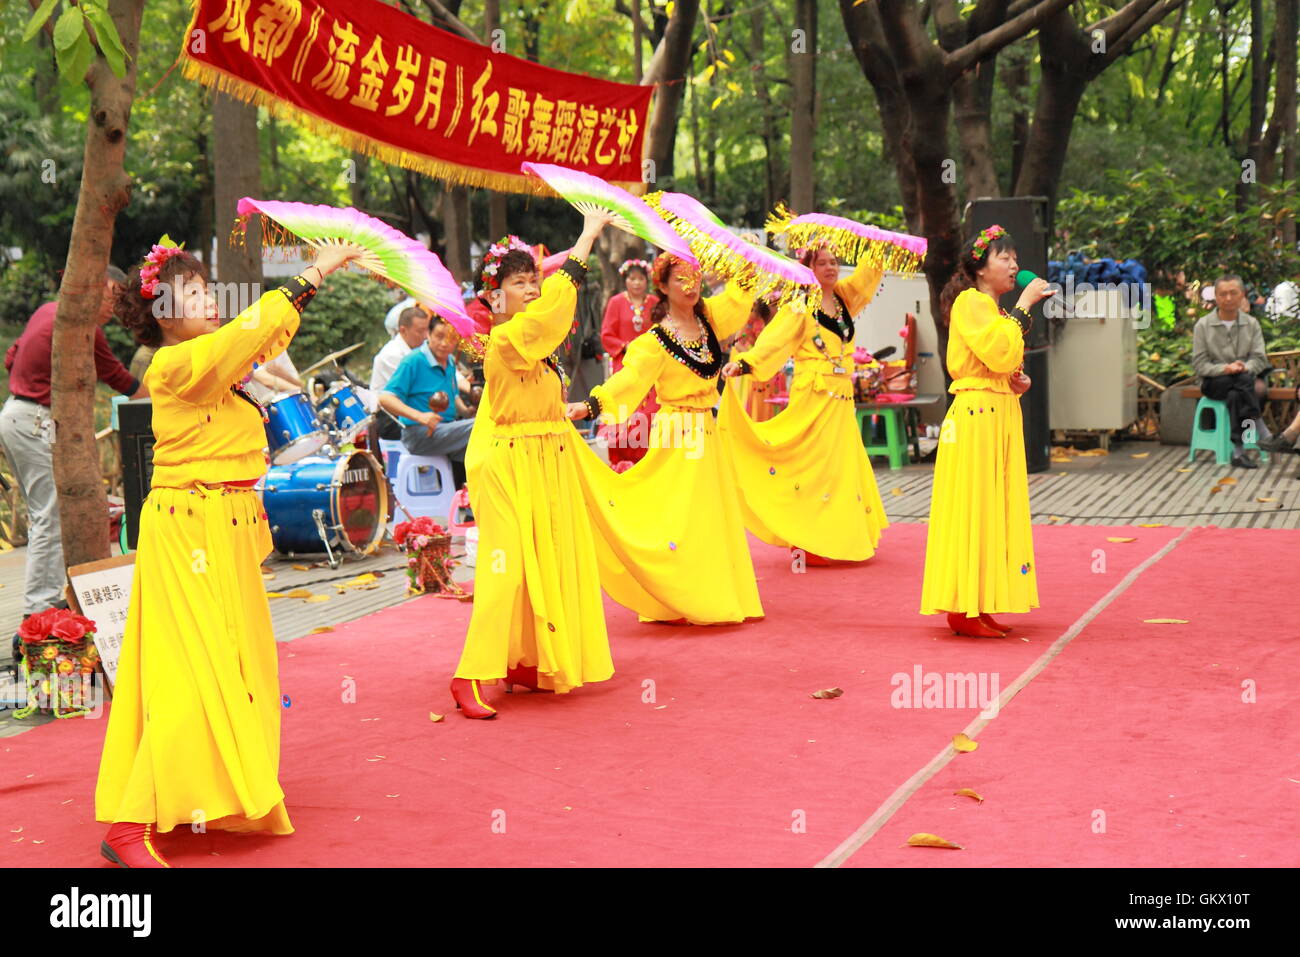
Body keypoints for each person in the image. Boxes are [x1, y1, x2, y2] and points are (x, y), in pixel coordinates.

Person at [95, 237, 364, 866]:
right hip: (191, 526)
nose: (211, 300)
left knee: (235, 667)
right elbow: (253, 331)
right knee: (191, 671)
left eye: (208, 289)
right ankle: (130, 824)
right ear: (162, 311)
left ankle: (213, 790)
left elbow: (257, 341)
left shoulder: (215, 365)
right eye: (194, 293)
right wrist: (317, 270)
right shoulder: (173, 366)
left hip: (224, 527)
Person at [449, 216, 616, 718]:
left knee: (543, 557)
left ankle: (524, 660)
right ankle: (469, 675)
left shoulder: (536, 348)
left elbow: (543, 400)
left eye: (532, 280)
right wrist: (586, 236)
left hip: (542, 459)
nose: (529, 289)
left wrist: (581, 410)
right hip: (503, 464)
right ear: (493, 297)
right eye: (516, 282)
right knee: (507, 564)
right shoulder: (508, 340)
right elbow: (555, 311)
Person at [566, 253, 764, 626]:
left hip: (707, 429)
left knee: (707, 515)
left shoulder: (709, 319)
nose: (691, 286)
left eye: (695, 278)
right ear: (662, 287)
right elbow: (632, 378)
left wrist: (744, 258)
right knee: (677, 515)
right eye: (680, 279)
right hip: (676, 432)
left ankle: (709, 594)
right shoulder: (656, 340)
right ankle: (674, 596)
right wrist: (594, 404)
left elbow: (739, 301)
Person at [0, 266, 146, 664]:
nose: (114, 308)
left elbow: (12, 356)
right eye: (112, 296)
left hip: (16, 413)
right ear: (95, 284)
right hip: (33, 421)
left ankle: (46, 604)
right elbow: (118, 377)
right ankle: (38, 612)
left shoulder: (46, 311)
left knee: (45, 515)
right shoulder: (80, 326)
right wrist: (158, 398)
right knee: (51, 517)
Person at [919, 224, 1052, 638]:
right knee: (974, 507)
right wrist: (1027, 304)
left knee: (992, 508)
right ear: (980, 268)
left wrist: (1016, 381)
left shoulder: (991, 310)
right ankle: (963, 609)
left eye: (1015, 258)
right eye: (1005, 258)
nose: (1015, 265)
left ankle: (981, 602)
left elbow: (1000, 360)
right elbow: (997, 351)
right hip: (976, 418)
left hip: (996, 411)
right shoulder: (970, 302)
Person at [718, 245, 889, 564]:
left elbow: (866, 278)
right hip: (813, 396)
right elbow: (774, 341)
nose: (830, 267)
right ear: (808, 268)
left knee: (840, 468)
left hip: (840, 398)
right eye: (821, 262)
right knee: (814, 466)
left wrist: (876, 249)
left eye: (834, 262)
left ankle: (839, 537)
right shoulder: (799, 306)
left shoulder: (843, 299)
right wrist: (744, 364)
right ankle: (810, 539)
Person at [379, 313, 476, 484]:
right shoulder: (413, 361)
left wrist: (466, 411)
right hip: (419, 434)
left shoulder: (450, 362)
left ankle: (466, 500)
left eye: (451, 338)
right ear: (428, 334)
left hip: (446, 430)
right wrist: (421, 417)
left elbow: (453, 394)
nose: (445, 343)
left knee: (483, 449)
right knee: (481, 427)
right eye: (439, 336)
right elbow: (386, 398)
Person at [1191, 275, 1273, 469]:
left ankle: (1238, 452)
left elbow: (1259, 358)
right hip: (1214, 381)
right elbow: (1200, 364)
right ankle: (1260, 427)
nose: (1228, 298)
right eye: (1223, 294)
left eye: (1233, 293)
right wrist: (1225, 369)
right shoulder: (1203, 326)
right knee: (1244, 383)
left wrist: (1245, 367)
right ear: (1216, 297)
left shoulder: (1251, 324)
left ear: (1242, 295)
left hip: (1244, 379)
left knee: (1238, 392)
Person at [599, 258, 659, 468]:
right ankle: (620, 461)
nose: (636, 283)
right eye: (632, 279)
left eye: (640, 279)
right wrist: (625, 347)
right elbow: (606, 334)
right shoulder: (616, 302)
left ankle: (648, 458)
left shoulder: (654, 302)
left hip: (648, 366)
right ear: (625, 280)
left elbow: (662, 332)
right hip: (624, 365)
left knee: (649, 411)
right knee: (622, 409)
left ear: (647, 280)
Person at [369, 306, 430, 444]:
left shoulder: (421, 348)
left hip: (415, 412)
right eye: (420, 331)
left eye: (427, 329)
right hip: (391, 420)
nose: (426, 335)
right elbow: (419, 389)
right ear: (403, 330)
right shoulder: (391, 355)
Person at [722, 299, 786, 422]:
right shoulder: (746, 323)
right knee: (747, 393)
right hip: (748, 357)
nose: (751, 313)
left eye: (754, 310)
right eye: (750, 310)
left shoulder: (761, 322)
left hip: (756, 355)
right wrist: (751, 356)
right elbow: (736, 343)